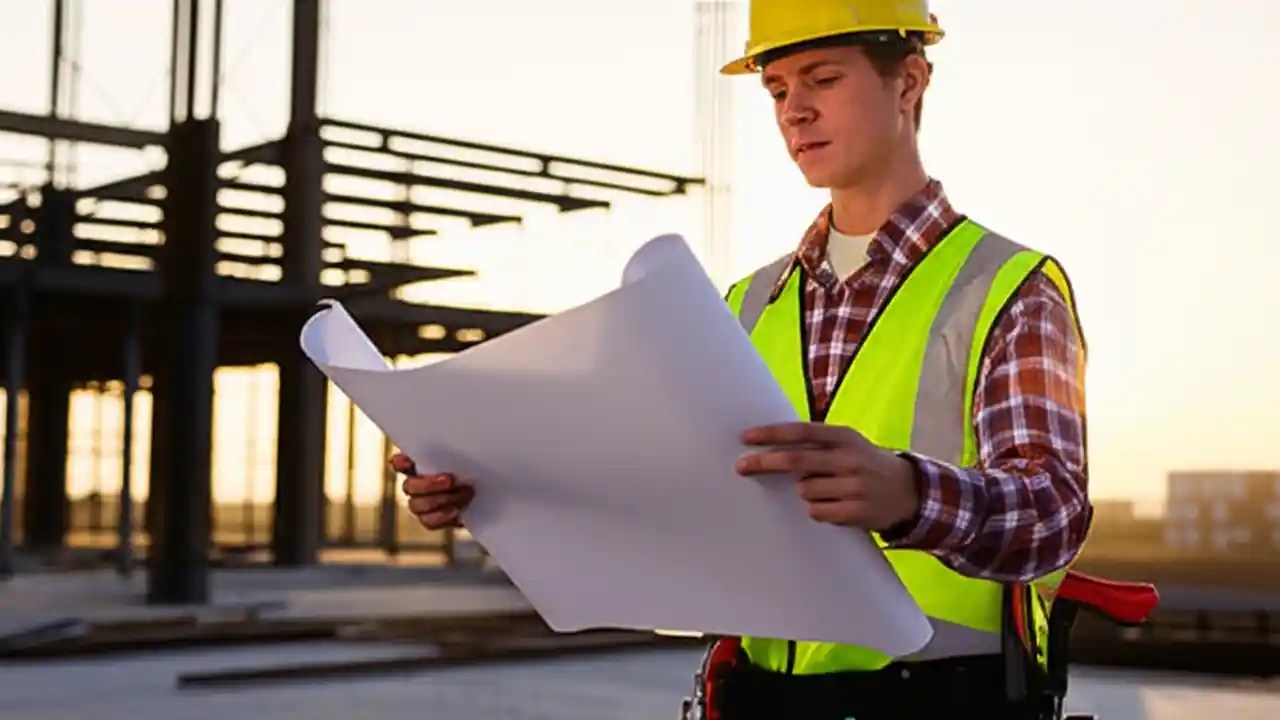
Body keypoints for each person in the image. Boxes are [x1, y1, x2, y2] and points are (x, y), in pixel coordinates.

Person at [392, 1, 1092, 717]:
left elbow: (1055, 514)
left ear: (909, 81)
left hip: (943, 702)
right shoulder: (743, 305)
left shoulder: (1008, 288)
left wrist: (910, 495)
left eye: (822, 79)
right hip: (758, 702)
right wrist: (492, 483)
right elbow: (663, 492)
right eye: (779, 90)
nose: (796, 112)